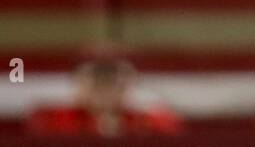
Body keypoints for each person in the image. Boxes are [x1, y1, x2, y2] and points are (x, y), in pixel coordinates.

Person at [26, 54, 182, 137]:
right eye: (95, 78)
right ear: (78, 82)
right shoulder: (52, 121)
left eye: (112, 78)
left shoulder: (153, 122)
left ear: (128, 83)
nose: (104, 87)